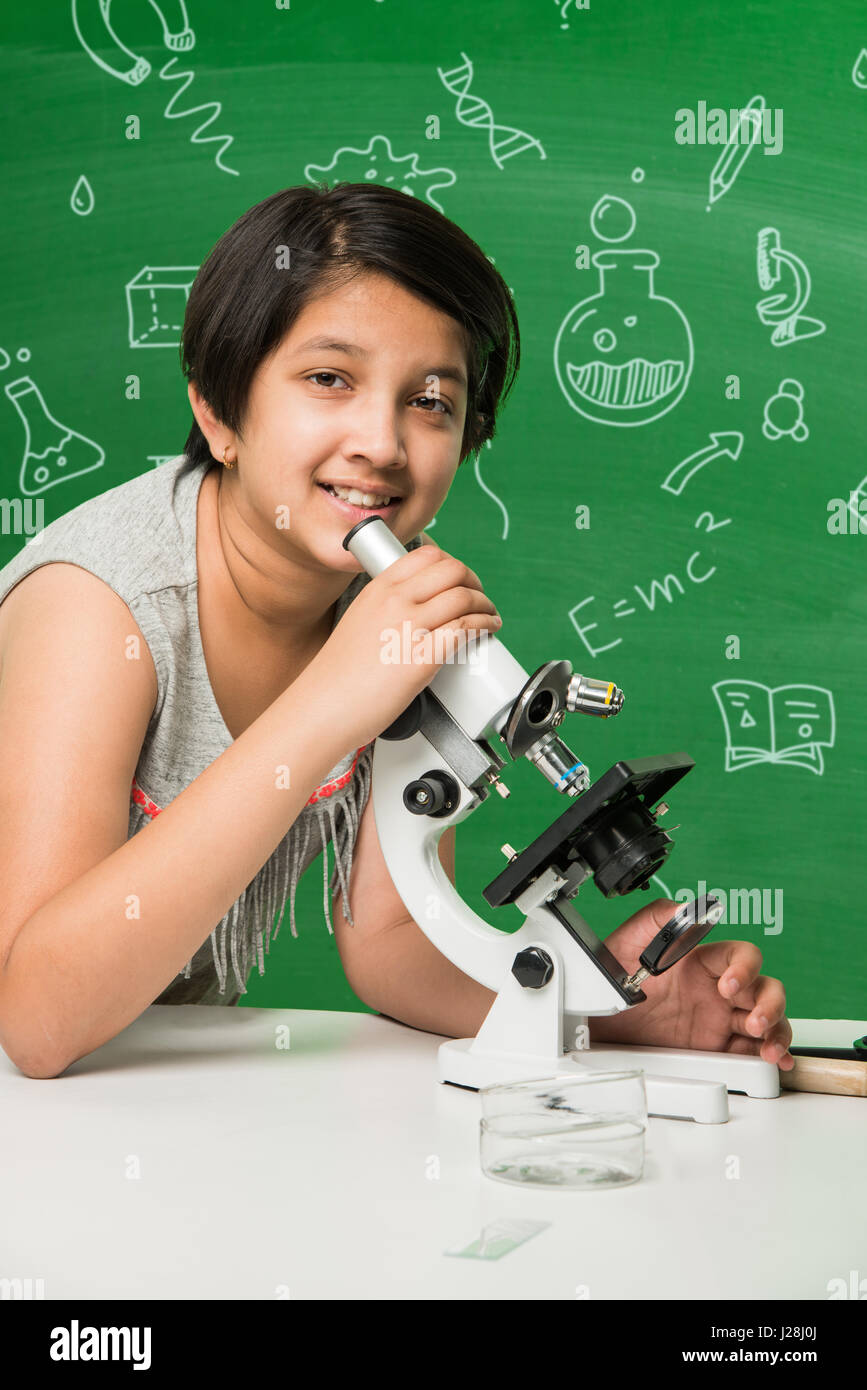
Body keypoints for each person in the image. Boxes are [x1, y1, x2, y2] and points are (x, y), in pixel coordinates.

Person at [0, 181, 793, 1077]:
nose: (382, 442)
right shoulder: (100, 606)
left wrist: (600, 1001)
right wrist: (333, 698)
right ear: (220, 413)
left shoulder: (385, 597)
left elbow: (390, 940)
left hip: (133, 1103)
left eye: (430, 401)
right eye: (329, 378)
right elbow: (36, 1020)